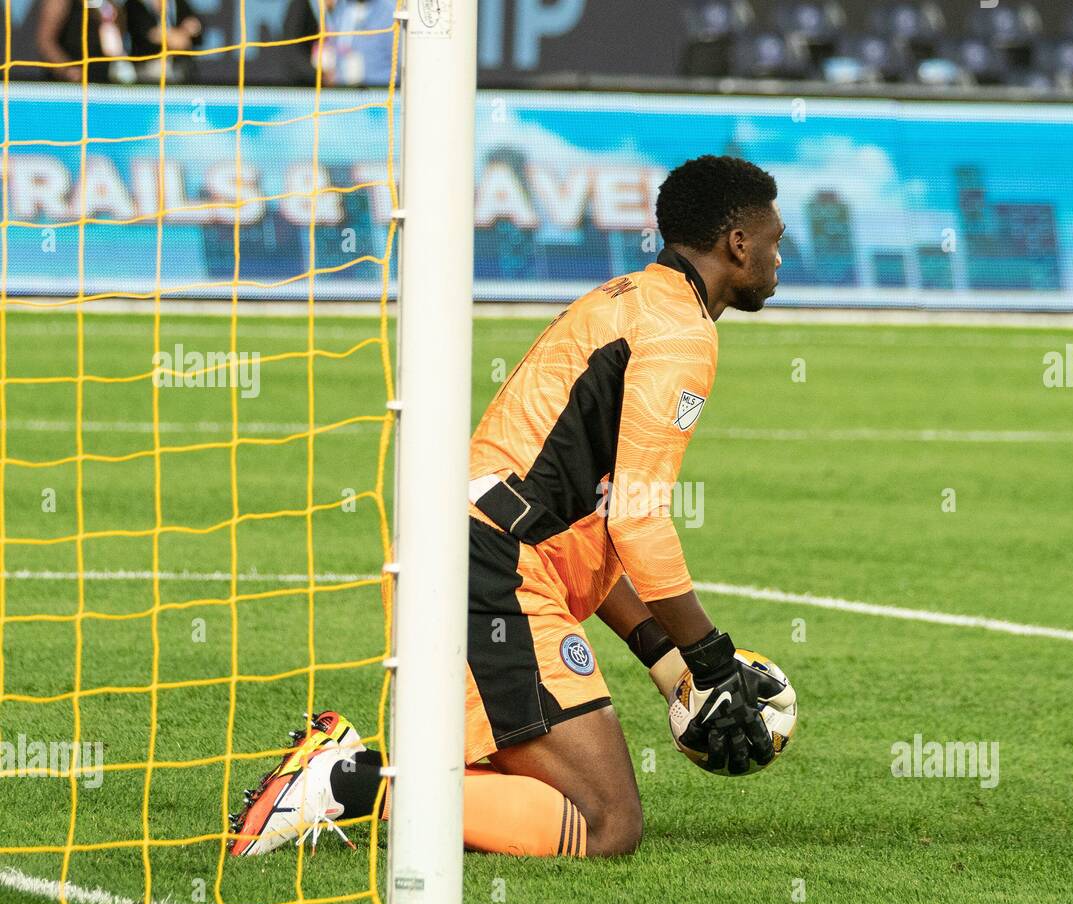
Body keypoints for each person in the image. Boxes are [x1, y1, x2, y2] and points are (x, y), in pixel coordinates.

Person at [230, 155, 787, 859]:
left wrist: (661, 654)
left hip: (467, 553)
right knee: (606, 823)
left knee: (518, 786)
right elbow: (638, 519)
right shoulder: (679, 332)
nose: (778, 254)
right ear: (738, 242)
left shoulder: (617, 301)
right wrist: (712, 659)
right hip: (493, 572)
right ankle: (349, 780)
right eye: (774, 237)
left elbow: (578, 525)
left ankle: (351, 770)